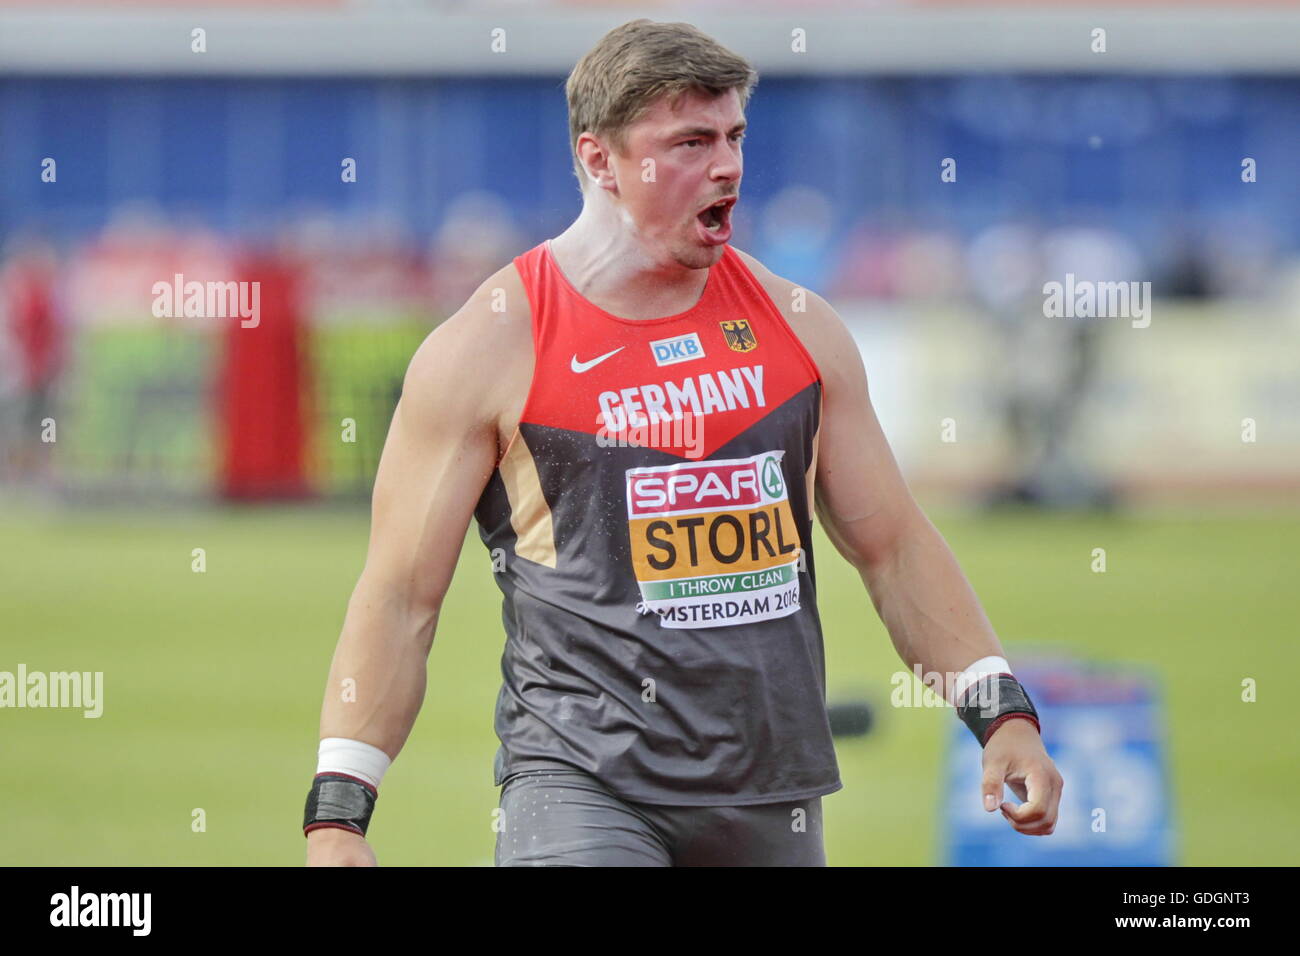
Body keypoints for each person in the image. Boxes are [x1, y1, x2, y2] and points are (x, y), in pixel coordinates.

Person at [304, 19, 1062, 867]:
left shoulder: (801, 332)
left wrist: (1002, 712)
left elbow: (893, 547)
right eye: (692, 141)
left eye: (735, 136)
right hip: (580, 784)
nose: (729, 165)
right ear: (600, 162)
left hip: (773, 790)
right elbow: (402, 594)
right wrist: (340, 811)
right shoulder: (488, 346)